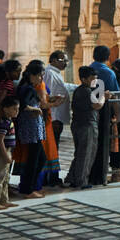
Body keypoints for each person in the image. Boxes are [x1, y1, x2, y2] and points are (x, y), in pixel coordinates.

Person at [15, 62, 49, 198]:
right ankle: (27, 189)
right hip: (30, 128)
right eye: (40, 76)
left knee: (39, 158)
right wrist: (36, 109)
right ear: (33, 75)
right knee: (35, 159)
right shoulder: (27, 88)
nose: (41, 79)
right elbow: (23, 105)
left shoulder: (28, 87)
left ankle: (28, 187)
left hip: (33, 127)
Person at [67, 66, 103, 190]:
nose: (95, 81)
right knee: (86, 153)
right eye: (92, 79)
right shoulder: (86, 91)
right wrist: (104, 97)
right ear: (83, 79)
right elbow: (97, 105)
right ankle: (81, 180)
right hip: (87, 124)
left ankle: (72, 177)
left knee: (80, 153)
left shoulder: (80, 90)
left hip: (78, 124)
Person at [87, 46, 118, 186]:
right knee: (102, 144)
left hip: (88, 111)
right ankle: (99, 177)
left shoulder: (88, 69)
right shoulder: (108, 73)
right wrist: (115, 114)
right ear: (108, 57)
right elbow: (114, 94)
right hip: (103, 110)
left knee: (89, 144)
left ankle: (87, 174)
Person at [42, 51, 71, 186]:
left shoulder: (55, 73)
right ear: (53, 60)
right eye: (62, 60)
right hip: (53, 116)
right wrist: (53, 117)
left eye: (66, 60)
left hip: (56, 116)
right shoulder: (49, 73)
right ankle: (50, 178)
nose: (65, 63)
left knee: (54, 148)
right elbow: (48, 95)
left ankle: (53, 177)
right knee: (51, 148)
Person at [0, 96, 19, 208]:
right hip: (2, 152)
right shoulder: (4, 123)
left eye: (17, 109)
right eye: (14, 109)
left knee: (5, 177)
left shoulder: (9, 121)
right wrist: (5, 155)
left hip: (8, 151)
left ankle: (4, 199)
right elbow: (0, 140)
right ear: (6, 109)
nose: (16, 111)